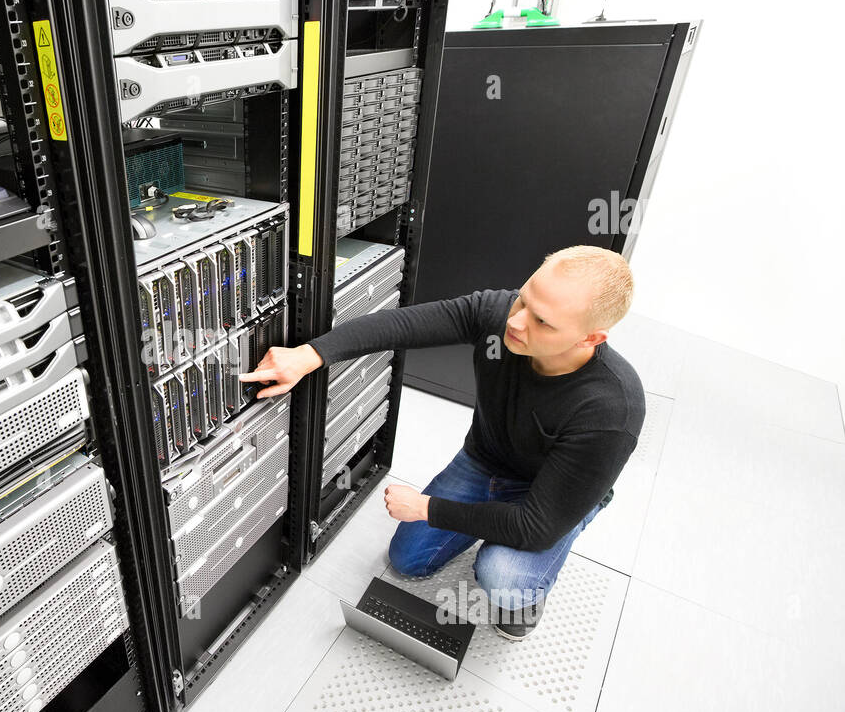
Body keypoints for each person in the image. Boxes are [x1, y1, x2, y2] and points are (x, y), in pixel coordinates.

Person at [240, 245, 645, 639]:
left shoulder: (611, 410)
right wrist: (312, 354)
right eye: (523, 300)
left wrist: (426, 507)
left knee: (503, 576)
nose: (516, 323)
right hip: (486, 462)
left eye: (543, 322)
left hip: (550, 493)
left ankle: (554, 550)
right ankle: (497, 522)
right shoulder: (498, 313)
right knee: (406, 561)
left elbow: (534, 527)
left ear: (590, 339)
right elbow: (404, 325)